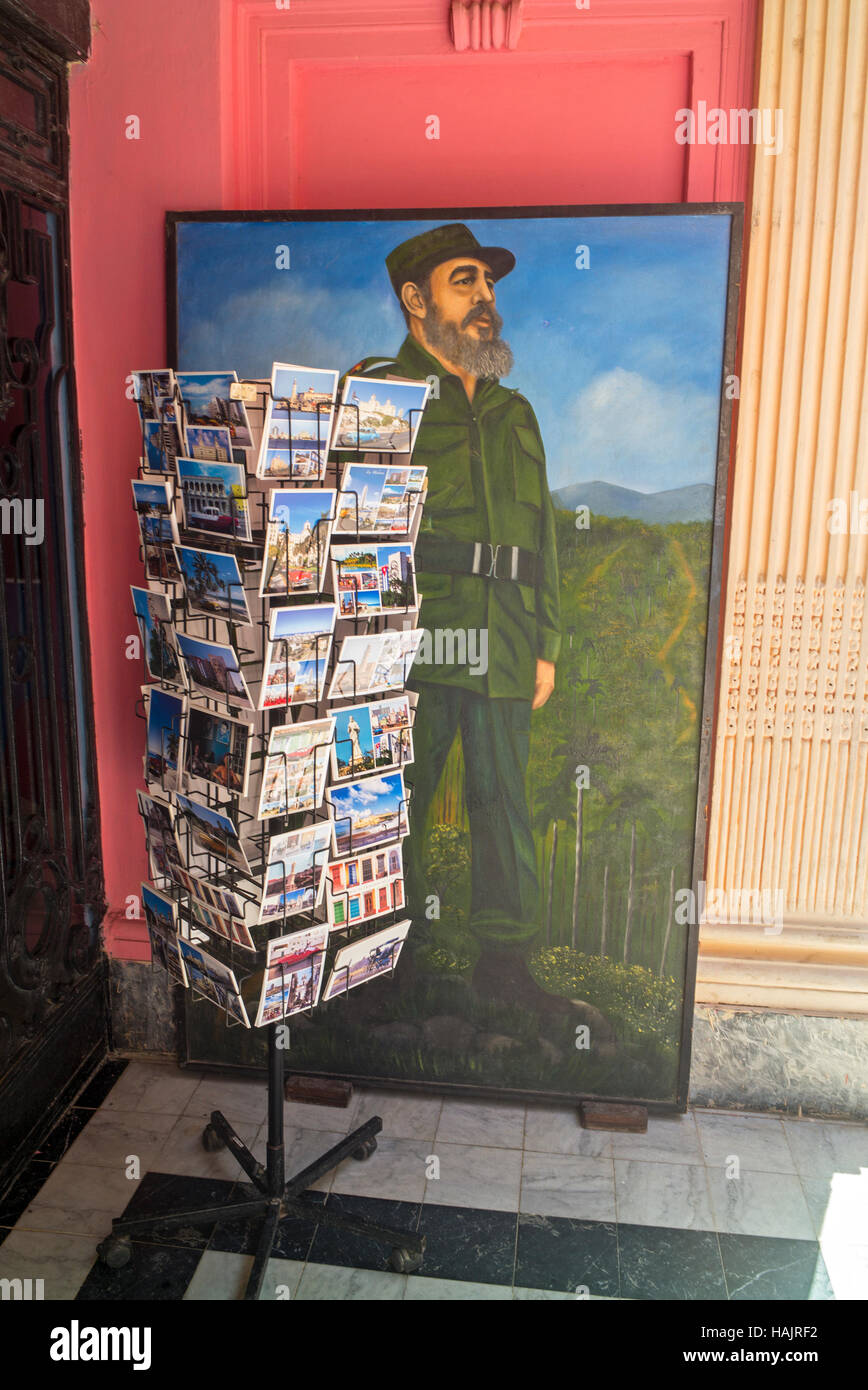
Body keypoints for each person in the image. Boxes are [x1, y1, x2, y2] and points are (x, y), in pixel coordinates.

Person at [342, 223, 578, 1024]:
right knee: (394, 805)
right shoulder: (378, 397)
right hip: (417, 638)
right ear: (415, 301)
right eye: (465, 281)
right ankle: (385, 971)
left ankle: (504, 973)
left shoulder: (515, 413)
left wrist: (547, 644)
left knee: (504, 804)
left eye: (490, 284)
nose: (487, 299)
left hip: (507, 640)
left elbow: (541, 534)